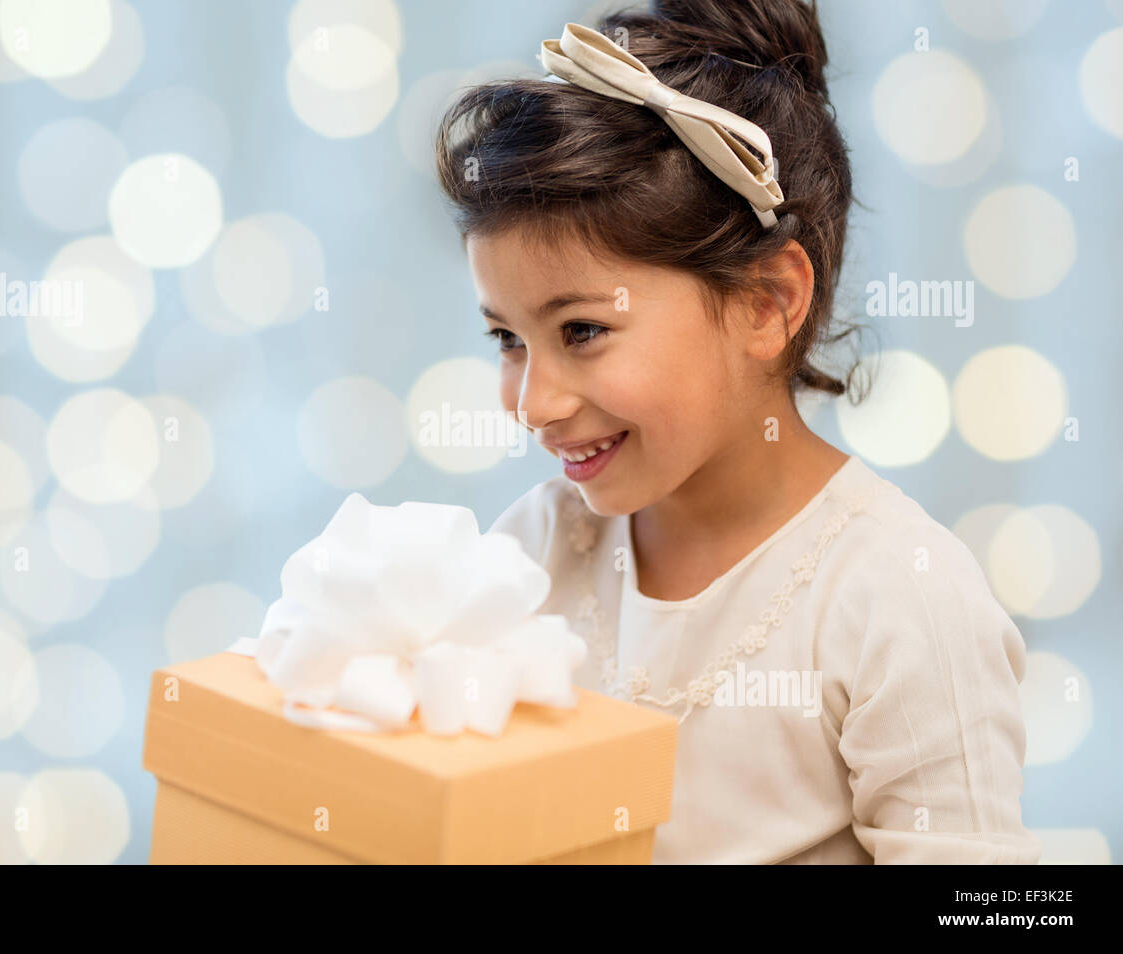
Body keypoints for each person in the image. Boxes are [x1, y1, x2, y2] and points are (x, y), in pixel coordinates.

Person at [434, 0, 1040, 863]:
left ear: (766, 304)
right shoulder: (533, 552)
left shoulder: (897, 599)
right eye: (507, 339)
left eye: (581, 332)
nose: (533, 404)